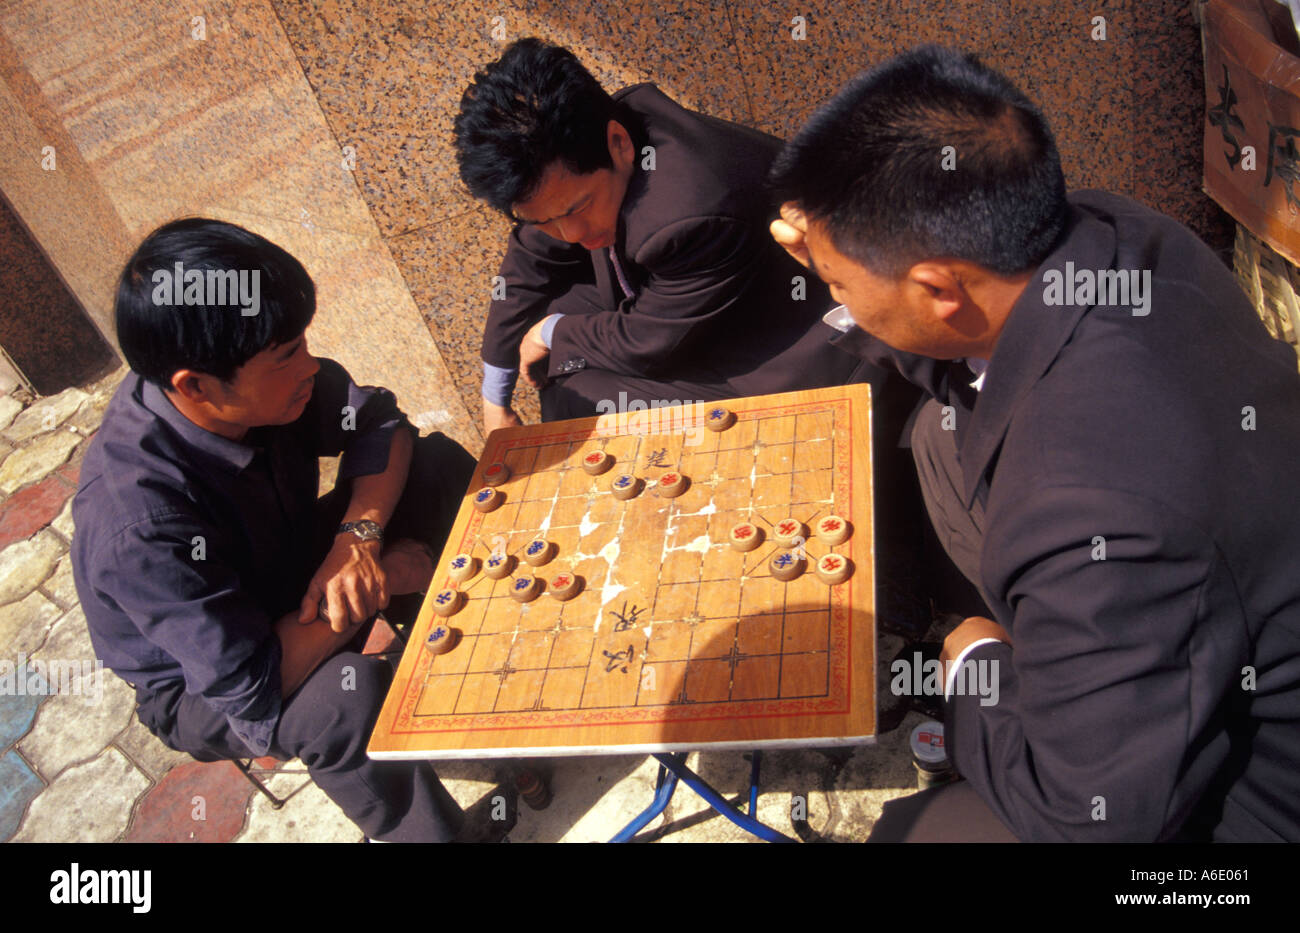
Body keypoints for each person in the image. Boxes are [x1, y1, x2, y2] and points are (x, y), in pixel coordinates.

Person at [768, 45, 1300, 842]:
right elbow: (964, 342)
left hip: (1249, 802)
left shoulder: (1090, 506)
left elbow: (1088, 820)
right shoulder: (1116, 234)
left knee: (913, 831)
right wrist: (835, 260)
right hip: (1205, 572)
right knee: (940, 437)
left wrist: (974, 659)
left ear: (941, 289)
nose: (831, 291)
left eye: (840, 282)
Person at [71, 219, 478, 842]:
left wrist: (358, 539)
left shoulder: (247, 378)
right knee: (343, 699)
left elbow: (381, 425)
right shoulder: (138, 526)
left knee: (438, 468)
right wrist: (387, 576)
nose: (311, 366)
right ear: (195, 387)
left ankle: (479, 663)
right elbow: (253, 683)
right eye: (287, 355)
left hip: (283, 564)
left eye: (302, 342)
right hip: (207, 676)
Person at [453, 37, 892, 432]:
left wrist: (550, 333)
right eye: (543, 220)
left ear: (619, 144)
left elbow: (647, 344)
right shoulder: (582, 155)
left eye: (578, 209)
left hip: (791, 349)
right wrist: (495, 399)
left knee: (578, 392)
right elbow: (527, 264)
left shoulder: (692, 210)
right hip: (696, 308)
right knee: (563, 349)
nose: (570, 234)